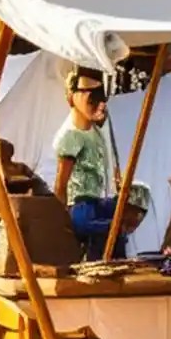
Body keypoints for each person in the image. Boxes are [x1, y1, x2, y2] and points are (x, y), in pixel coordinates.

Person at [53, 67, 120, 259]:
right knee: (107, 228)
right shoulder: (71, 137)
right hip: (80, 207)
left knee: (123, 211)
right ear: (73, 97)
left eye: (100, 98)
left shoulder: (97, 134)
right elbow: (61, 183)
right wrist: (61, 218)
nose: (98, 105)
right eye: (91, 98)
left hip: (96, 201)